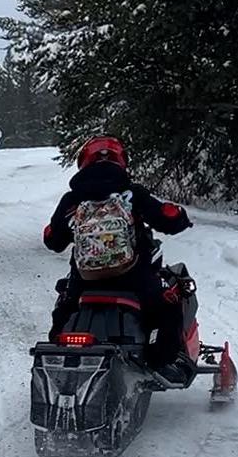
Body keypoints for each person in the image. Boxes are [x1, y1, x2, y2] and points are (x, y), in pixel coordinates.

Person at [42, 135, 193, 382]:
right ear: (121, 161)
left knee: (64, 307)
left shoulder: (72, 200)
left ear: (84, 162)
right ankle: (159, 363)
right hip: (133, 280)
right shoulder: (132, 194)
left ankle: (61, 358)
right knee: (167, 307)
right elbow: (167, 218)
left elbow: (53, 241)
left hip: (84, 283)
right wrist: (179, 216)